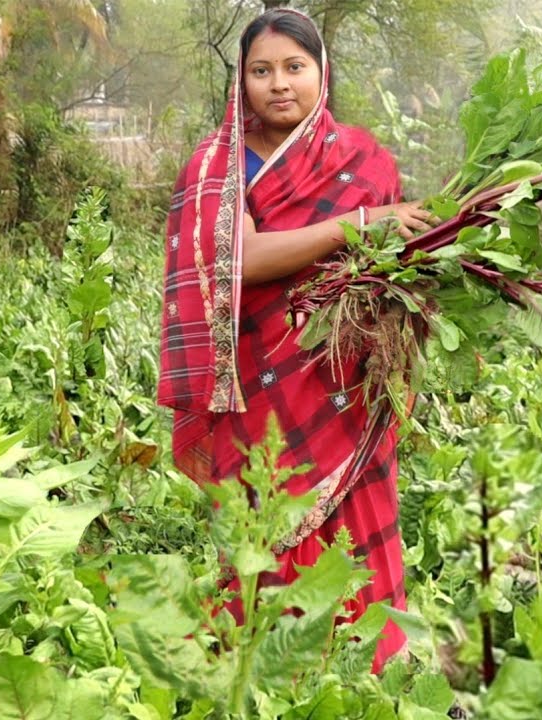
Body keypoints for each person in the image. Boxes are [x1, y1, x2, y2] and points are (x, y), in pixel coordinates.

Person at [158, 8, 436, 672]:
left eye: (294, 67)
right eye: (261, 70)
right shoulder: (216, 164)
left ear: (321, 72)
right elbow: (241, 259)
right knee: (266, 525)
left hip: (345, 390)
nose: (278, 84)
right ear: (241, 81)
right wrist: (359, 223)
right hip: (257, 388)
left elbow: (394, 271)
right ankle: (268, 677)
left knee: (358, 537)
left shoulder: (365, 159)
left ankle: (372, 674)